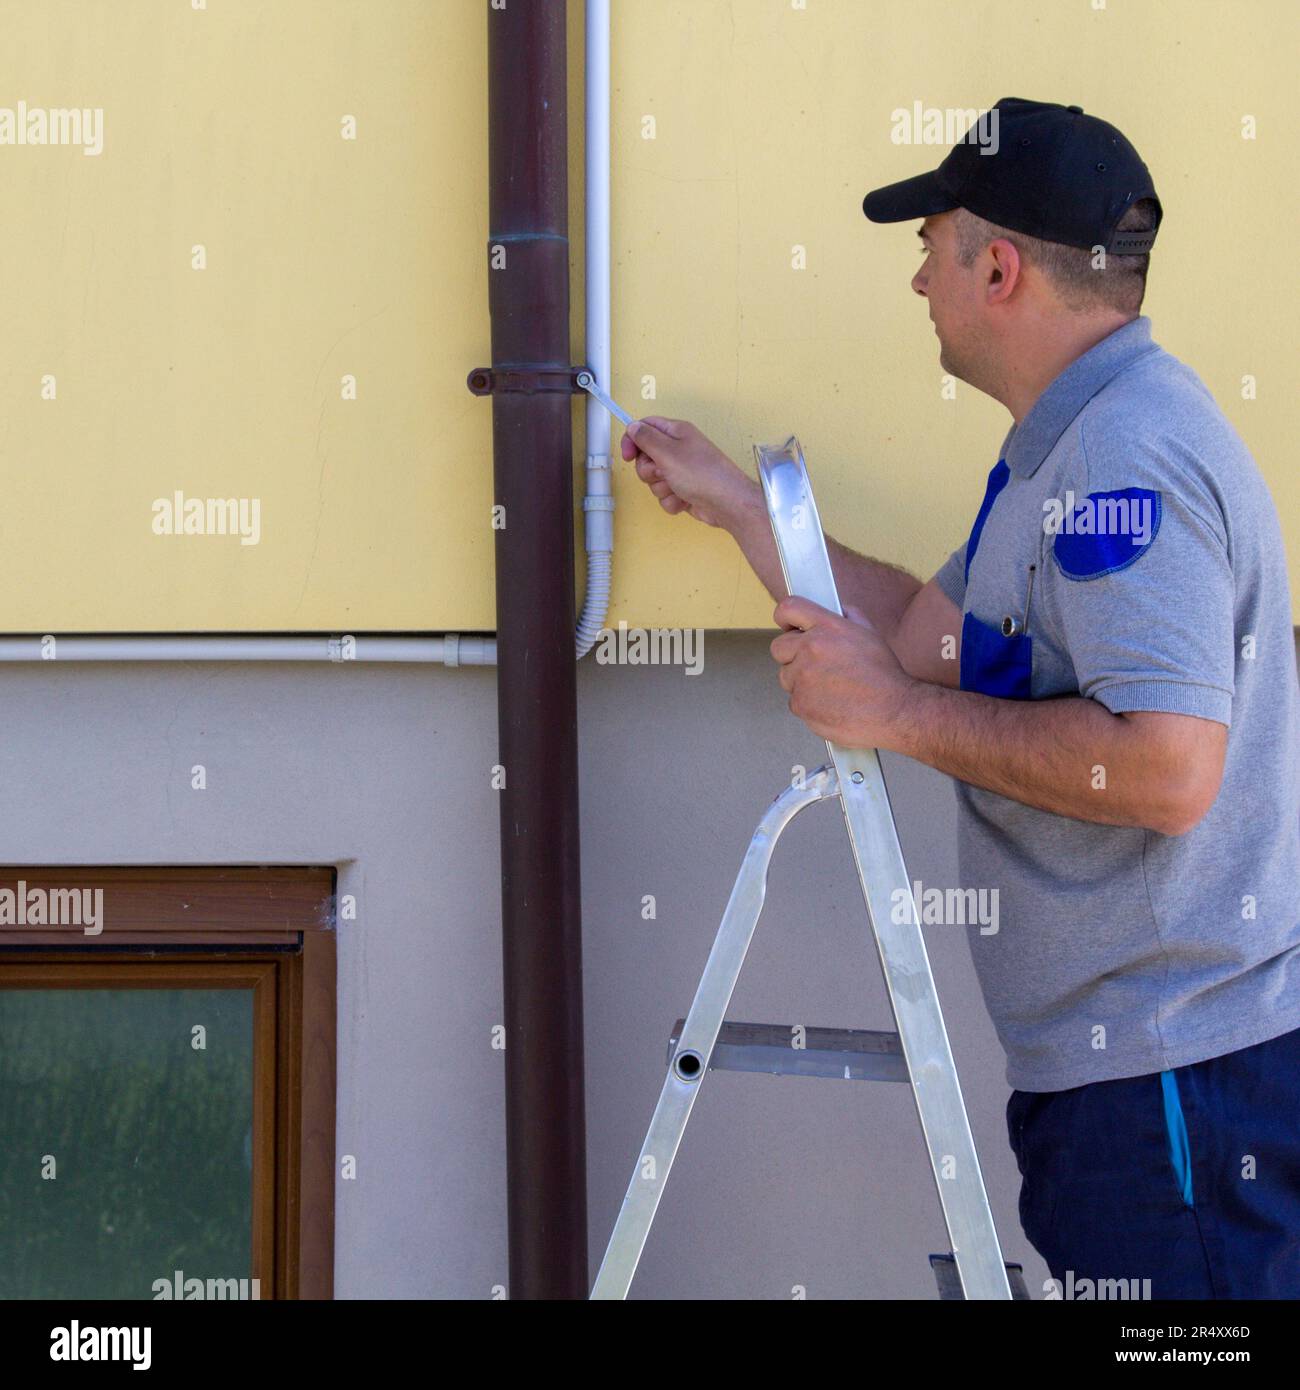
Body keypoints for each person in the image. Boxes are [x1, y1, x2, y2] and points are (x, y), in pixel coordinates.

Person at [618, 97, 1300, 1299]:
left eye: (929, 242)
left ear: (997, 267)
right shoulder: (1056, 450)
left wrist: (888, 717)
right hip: (1133, 1085)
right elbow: (918, 641)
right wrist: (737, 504)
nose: (916, 278)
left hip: (1177, 1091)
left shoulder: (1121, 460)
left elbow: (1168, 767)